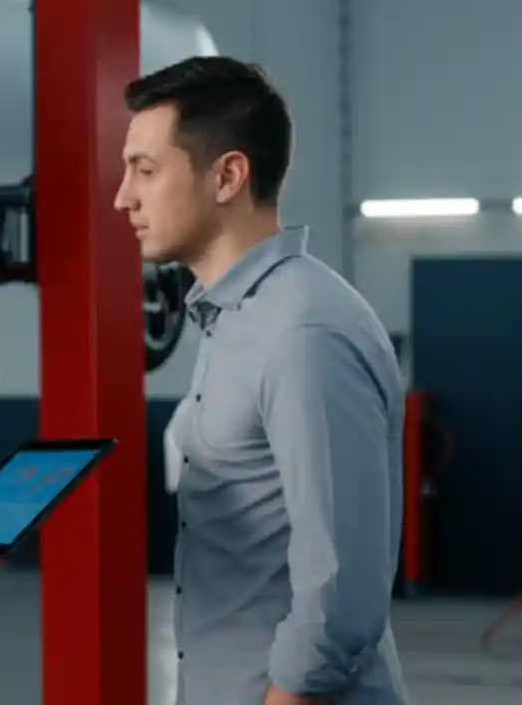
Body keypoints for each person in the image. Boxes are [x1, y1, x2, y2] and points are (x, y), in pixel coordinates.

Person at [114, 56, 410, 705]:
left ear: (227, 176)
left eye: (145, 170)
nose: (123, 196)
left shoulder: (304, 331)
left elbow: (340, 592)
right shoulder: (235, 319)